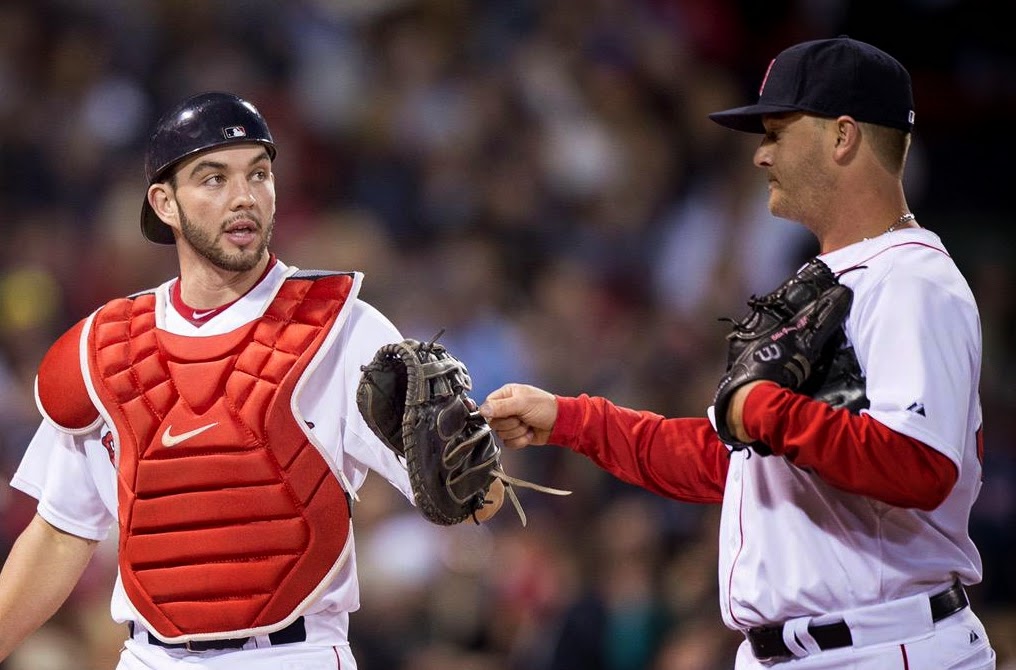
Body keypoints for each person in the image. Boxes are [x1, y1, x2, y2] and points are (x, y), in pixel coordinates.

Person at [481, 36, 996, 669]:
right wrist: (571, 419)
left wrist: (767, 412)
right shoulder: (839, 278)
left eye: (778, 131)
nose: (760, 154)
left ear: (842, 137)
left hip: (885, 645)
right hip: (800, 651)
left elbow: (920, 464)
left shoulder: (910, 281)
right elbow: (729, 464)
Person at [0, 91, 503, 669]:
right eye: (213, 179)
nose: (243, 197)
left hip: (296, 654)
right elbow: (60, 532)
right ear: (164, 203)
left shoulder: (341, 327)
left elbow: (474, 503)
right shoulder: (110, 348)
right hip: (148, 658)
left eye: (258, 174)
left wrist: (472, 459)